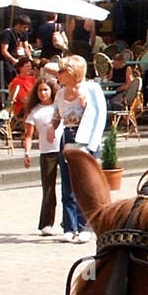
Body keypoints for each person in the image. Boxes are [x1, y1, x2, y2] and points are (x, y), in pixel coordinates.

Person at [49, 55, 93, 242]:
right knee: (67, 184)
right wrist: (52, 129)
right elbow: (57, 115)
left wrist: (85, 105)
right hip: (67, 136)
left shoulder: (87, 91)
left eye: (62, 71)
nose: (58, 74)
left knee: (83, 183)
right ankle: (69, 226)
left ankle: (85, 226)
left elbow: (96, 116)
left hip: (83, 137)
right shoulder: (59, 94)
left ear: (73, 73)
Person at [22, 77, 62, 234]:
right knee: (48, 189)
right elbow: (28, 135)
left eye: (46, 89)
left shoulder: (59, 106)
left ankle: (71, 222)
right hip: (47, 152)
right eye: (40, 90)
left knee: (69, 187)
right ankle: (46, 223)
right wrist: (27, 153)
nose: (43, 93)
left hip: (63, 148)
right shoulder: (35, 111)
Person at [0, 14, 31, 101]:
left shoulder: (23, 34)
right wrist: (13, 60)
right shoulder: (7, 34)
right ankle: (4, 102)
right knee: (6, 82)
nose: (26, 29)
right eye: (24, 27)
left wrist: (30, 58)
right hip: (5, 61)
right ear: (18, 25)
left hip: (16, 60)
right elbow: (4, 50)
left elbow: (26, 46)